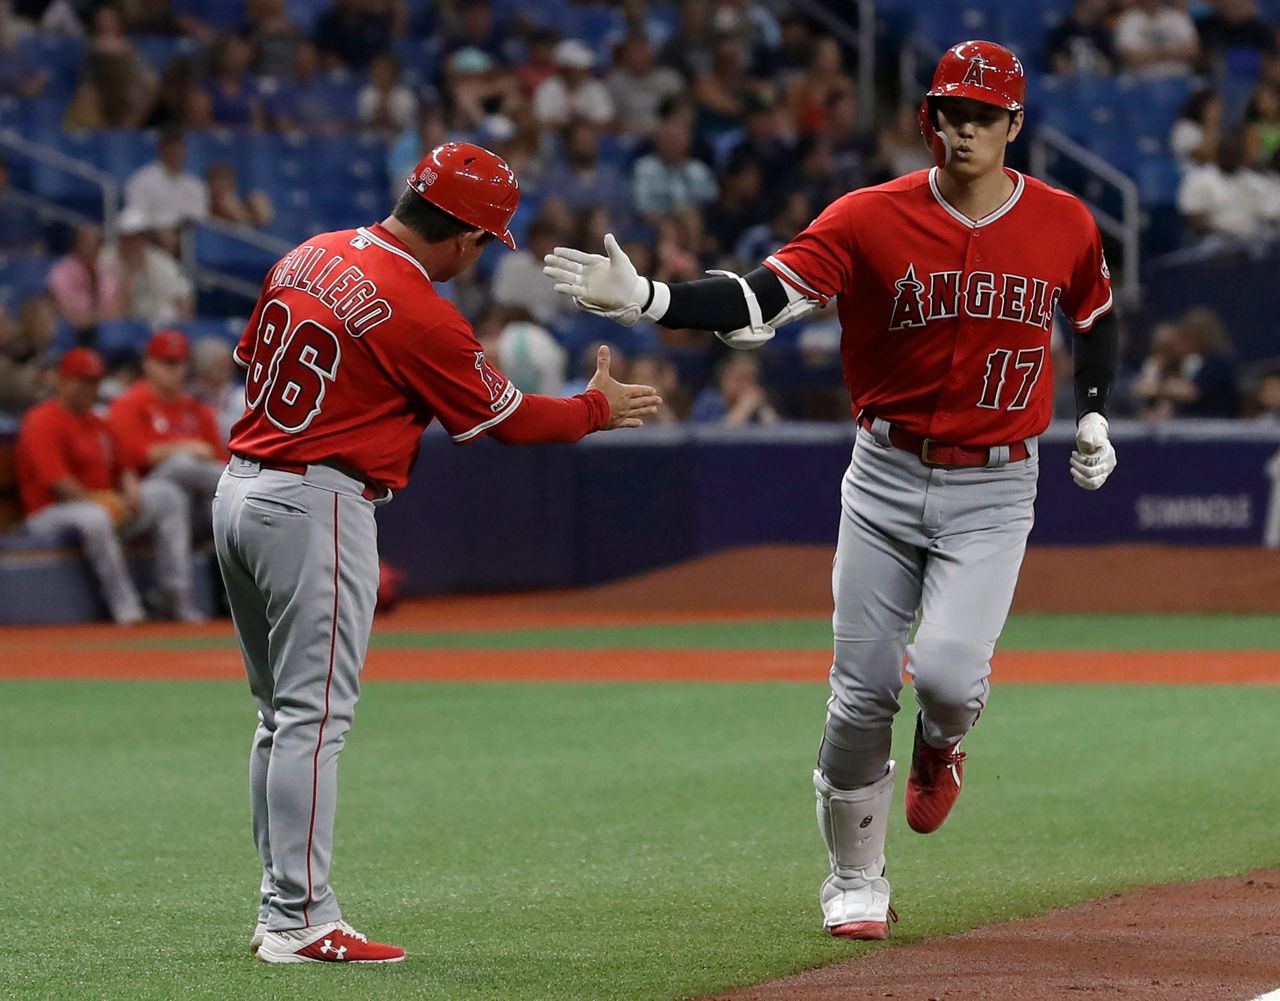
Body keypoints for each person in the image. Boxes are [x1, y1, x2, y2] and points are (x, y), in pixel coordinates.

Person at [544, 40, 1119, 940]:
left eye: (981, 114)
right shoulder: (867, 216)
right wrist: (655, 298)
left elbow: (1092, 315)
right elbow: (760, 295)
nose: (960, 128)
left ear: (1013, 124)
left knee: (949, 678)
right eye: (947, 111)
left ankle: (942, 744)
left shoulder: (1066, 222)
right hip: (885, 475)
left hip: (997, 485)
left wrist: (1092, 413)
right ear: (928, 118)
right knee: (859, 691)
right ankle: (856, 879)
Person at [216, 141, 660, 964]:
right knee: (312, 721)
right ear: (458, 231)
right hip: (319, 500)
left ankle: (281, 906)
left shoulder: (309, 252)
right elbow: (513, 423)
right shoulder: (416, 305)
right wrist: (596, 407)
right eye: (483, 239)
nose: (479, 255)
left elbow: (252, 362)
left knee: (281, 717)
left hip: (240, 489)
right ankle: (298, 919)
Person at [16, 347, 202, 624]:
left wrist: (130, 491)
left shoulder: (97, 421)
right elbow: (58, 483)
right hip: (51, 513)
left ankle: (176, 596)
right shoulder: (42, 419)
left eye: (93, 381)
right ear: (62, 381)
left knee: (168, 495)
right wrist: (103, 502)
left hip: (102, 504)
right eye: (82, 380)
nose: (89, 388)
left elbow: (123, 466)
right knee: (96, 517)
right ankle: (127, 608)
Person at [108, 329, 227, 534]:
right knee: (182, 463)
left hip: (197, 500)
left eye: (181, 363)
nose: (177, 371)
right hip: (145, 492)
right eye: (168, 363)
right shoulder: (128, 403)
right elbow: (133, 457)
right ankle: (244, 488)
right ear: (148, 363)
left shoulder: (197, 409)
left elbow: (217, 457)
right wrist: (185, 448)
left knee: (223, 504)